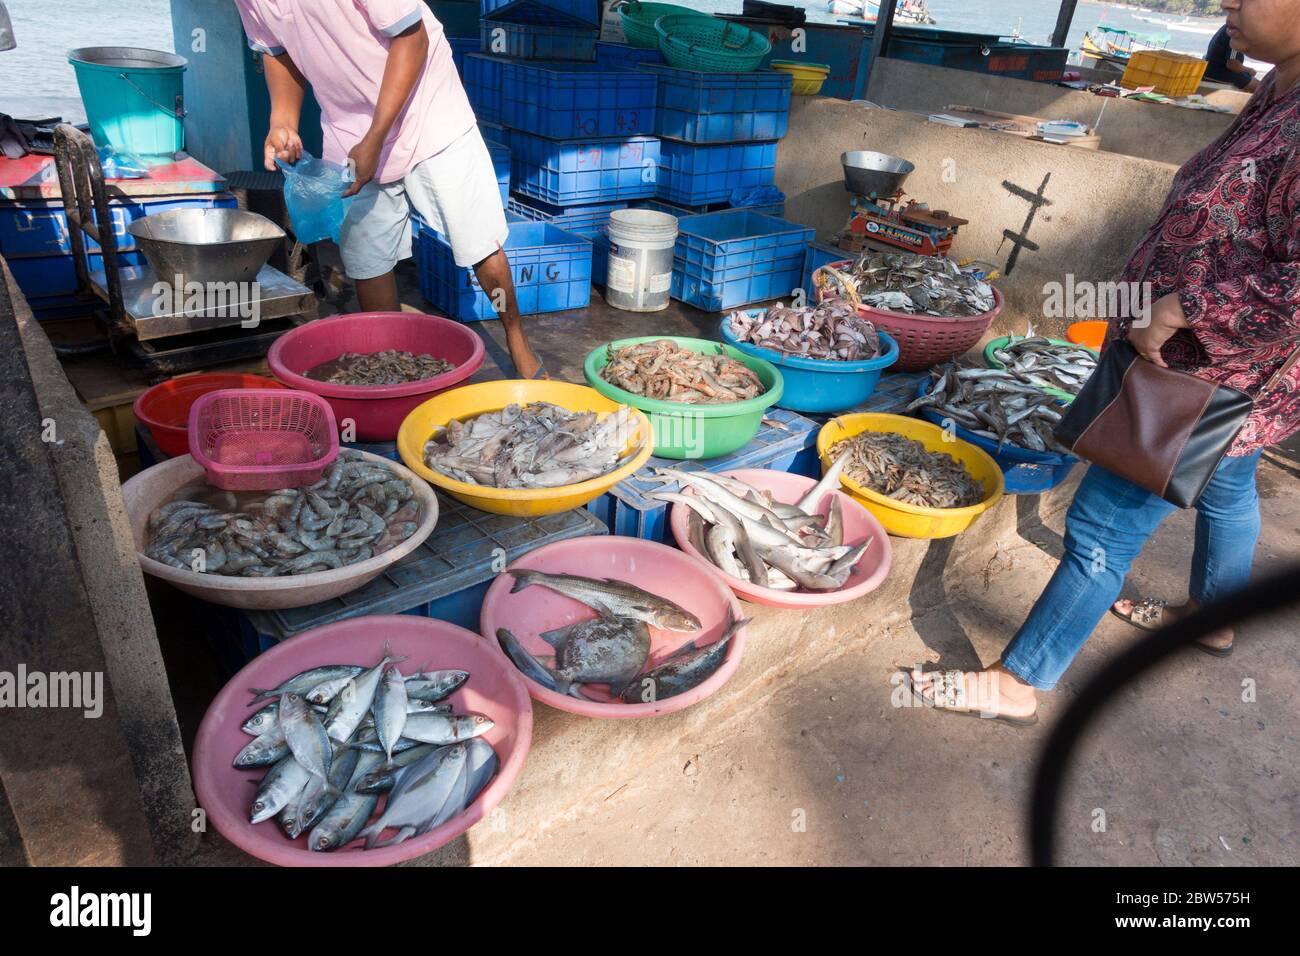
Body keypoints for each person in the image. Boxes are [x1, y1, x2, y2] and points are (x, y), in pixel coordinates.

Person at [911, 0, 1299, 725]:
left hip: (1197, 381)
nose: (1228, 5)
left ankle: (1020, 681)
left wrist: (1184, 308)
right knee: (1229, 484)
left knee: (1103, 530)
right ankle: (1213, 616)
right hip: (1241, 395)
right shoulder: (1276, 93)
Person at [233, 0, 543, 378]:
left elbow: (413, 38)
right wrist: (282, 120)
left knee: (477, 242)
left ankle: (516, 340)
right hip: (348, 123)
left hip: (427, 108)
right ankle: (391, 363)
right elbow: (276, 51)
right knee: (367, 258)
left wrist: (377, 137)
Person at [1204, 22, 1260, 92]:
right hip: (1218, 72)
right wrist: (1249, 70)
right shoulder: (1237, 33)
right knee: (1260, 88)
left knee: (1255, 82)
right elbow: (1232, 65)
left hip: (1212, 69)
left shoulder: (1229, 27)